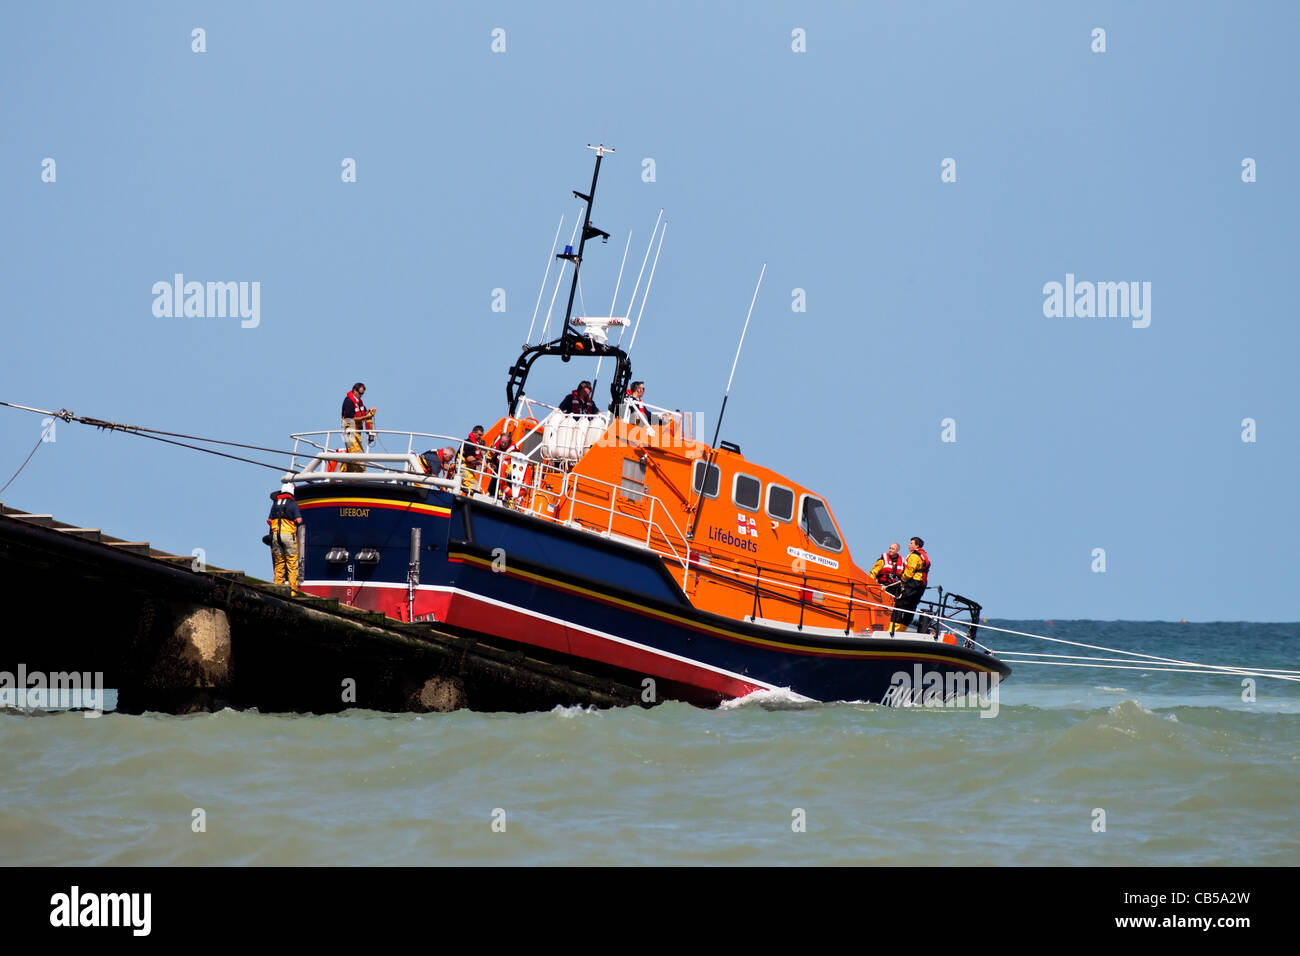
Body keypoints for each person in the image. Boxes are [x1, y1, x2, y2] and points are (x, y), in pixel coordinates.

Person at [266, 483, 304, 592]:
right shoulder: (292, 503)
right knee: (292, 563)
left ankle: (277, 588)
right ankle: (293, 590)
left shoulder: (275, 504)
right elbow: (298, 520)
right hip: (288, 536)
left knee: (279, 563)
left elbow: (269, 520)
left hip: (275, 537)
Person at [891, 537, 931, 631]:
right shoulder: (923, 555)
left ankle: (894, 628)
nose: (909, 545)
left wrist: (902, 578)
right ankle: (903, 627)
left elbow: (909, 572)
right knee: (911, 606)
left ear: (916, 545)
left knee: (899, 603)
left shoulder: (914, 556)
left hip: (914, 583)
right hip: (921, 584)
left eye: (911, 543)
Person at [340, 382, 376, 473]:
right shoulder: (348, 401)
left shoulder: (359, 403)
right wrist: (366, 417)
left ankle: (346, 476)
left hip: (357, 433)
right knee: (358, 459)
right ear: (354, 391)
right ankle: (358, 477)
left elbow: (362, 413)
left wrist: (369, 413)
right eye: (360, 393)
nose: (361, 395)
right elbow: (351, 418)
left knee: (353, 458)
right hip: (349, 433)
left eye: (363, 394)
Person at [460, 425, 486, 493]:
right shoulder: (469, 443)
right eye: (479, 435)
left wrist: (482, 453)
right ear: (473, 433)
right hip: (463, 469)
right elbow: (469, 458)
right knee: (475, 488)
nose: (480, 437)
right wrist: (481, 462)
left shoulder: (476, 445)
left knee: (475, 487)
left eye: (481, 435)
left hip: (469, 471)